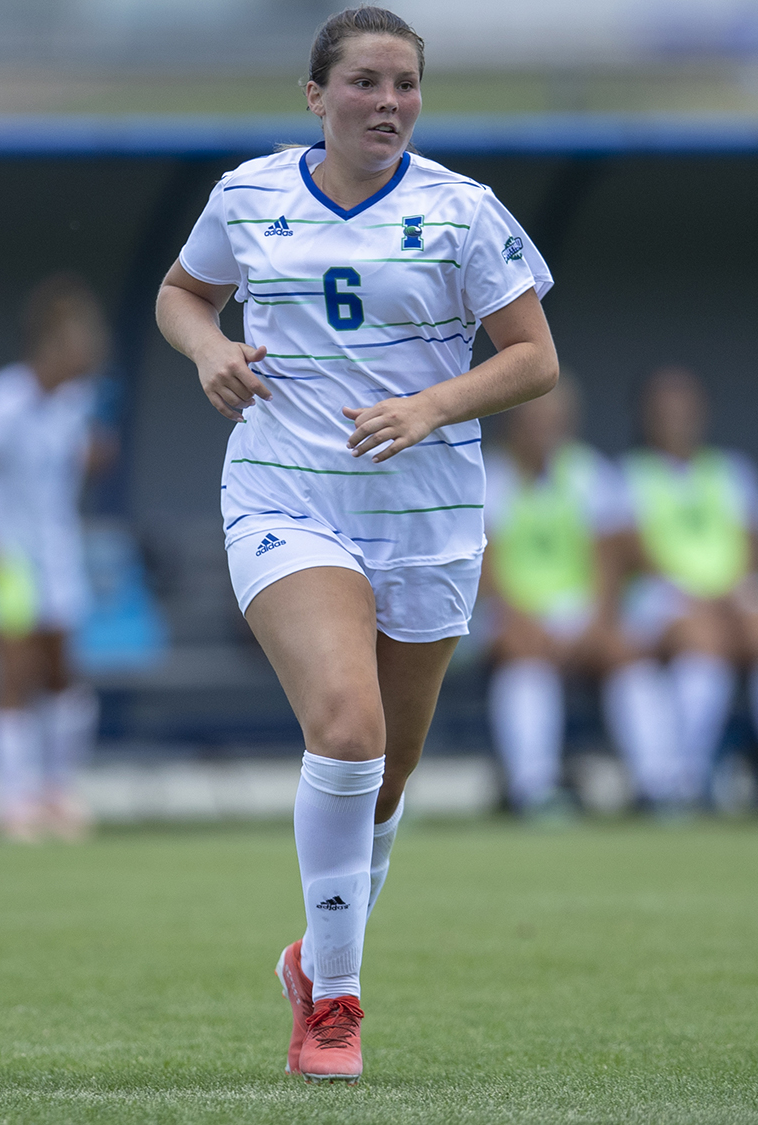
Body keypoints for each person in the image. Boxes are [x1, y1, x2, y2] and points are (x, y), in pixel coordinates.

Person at [155, 6, 556, 1082]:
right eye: (366, 83)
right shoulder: (248, 194)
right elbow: (181, 293)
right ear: (314, 95)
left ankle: (311, 955)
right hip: (287, 498)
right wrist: (205, 351)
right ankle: (334, 1006)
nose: (387, 103)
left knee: (384, 778)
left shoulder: (461, 212)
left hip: (424, 519)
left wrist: (431, 406)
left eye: (406, 85)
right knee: (345, 726)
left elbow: (531, 358)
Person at [0, 274, 109, 844]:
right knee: (12, 674)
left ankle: (56, 791)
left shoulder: (75, 405)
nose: (90, 348)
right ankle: (11, 801)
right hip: (2, 558)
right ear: (50, 342)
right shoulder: (1, 400)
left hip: (56, 554)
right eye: (79, 337)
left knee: (63, 674)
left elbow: (75, 467)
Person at [614, 365, 758, 811]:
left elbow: (751, 546)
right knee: (700, 639)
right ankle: (684, 782)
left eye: (685, 407)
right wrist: (700, 596)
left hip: (731, 590)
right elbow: (632, 552)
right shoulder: (627, 475)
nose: (676, 417)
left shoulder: (731, 470)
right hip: (660, 593)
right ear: (645, 415)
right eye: (664, 408)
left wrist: (730, 595)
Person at [480, 374, 674, 820]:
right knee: (523, 656)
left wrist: (598, 624)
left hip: (579, 612)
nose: (546, 430)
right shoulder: (489, 476)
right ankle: (534, 788)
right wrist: (519, 620)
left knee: (625, 653)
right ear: (513, 419)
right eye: (535, 418)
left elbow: (609, 563)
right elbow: (485, 569)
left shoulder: (590, 474)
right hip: (510, 613)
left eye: (556, 420)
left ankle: (657, 784)